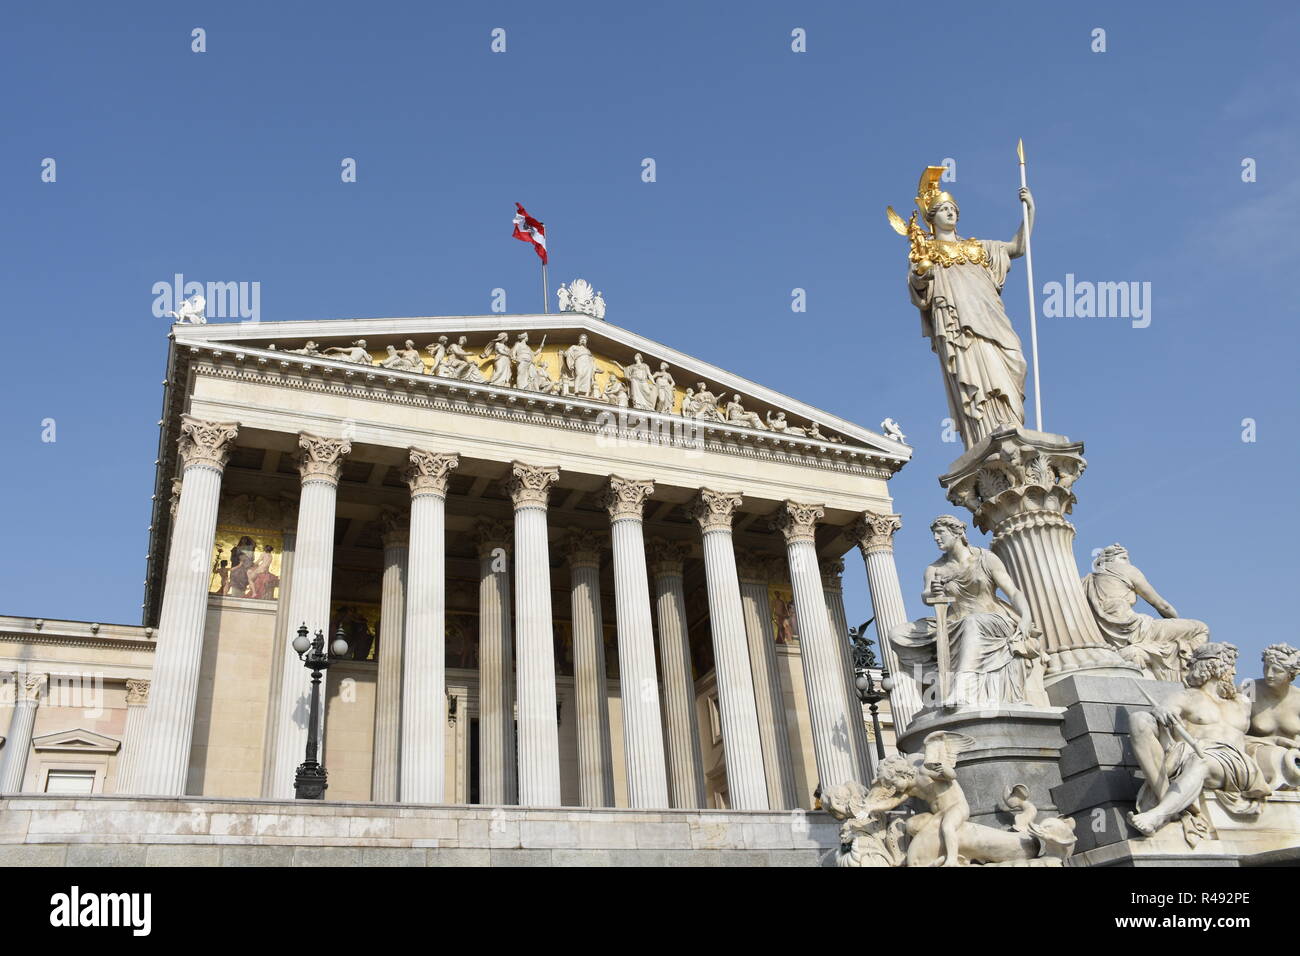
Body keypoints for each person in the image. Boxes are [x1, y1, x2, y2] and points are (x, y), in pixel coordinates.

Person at [905, 169, 1032, 448]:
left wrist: (1028, 210)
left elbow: (1018, 247)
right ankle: (986, 431)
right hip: (961, 327)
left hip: (991, 317)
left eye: (953, 209)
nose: (951, 213)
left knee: (1015, 360)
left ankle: (1011, 420)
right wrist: (922, 274)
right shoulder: (927, 252)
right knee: (976, 373)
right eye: (944, 209)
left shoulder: (979, 247)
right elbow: (918, 290)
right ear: (931, 217)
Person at [891, 515, 1046, 709]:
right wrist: (933, 591)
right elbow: (926, 595)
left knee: (971, 623)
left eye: (940, 533)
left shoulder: (985, 558)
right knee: (898, 633)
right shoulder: (934, 568)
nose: (936, 538)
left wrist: (1026, 617)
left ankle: (963, 688)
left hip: (993, 619)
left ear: (957, 533)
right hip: (952, 621)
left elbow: (1013, 591)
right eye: (934, 534)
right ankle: (937, 690)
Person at [1129, 643, 1270, 837]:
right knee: (1139, 720)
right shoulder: (1186, 697)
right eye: (1230, 666)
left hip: (1236, 764)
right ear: (1215, 667)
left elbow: (1255, 734)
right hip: (1196, 756)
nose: (1235, 671)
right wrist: (1162, 712)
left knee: (1201, 761)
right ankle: (1168, 803)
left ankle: (1159, 814)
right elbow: (1167, 710)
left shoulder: (1242, 701)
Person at [1083, 544, 1208, 681]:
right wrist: (1175, 621)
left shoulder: (1085, 581)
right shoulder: (1126, 570)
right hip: (1136, 630)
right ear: (1112, 559)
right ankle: (1191, 672)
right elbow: (1162, 605)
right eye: (1124, 557)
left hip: (1109, 638)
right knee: (1200, 628)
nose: (1128, 562)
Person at [1242, 643, 1300, 790]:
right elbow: (1234, 734)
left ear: (1291, 674)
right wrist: (1273, 740)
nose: (1269, 674)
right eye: (1266, 667)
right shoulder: (1249, 689)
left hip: (1293, 762)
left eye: (1277, 671)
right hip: (1257, 759)